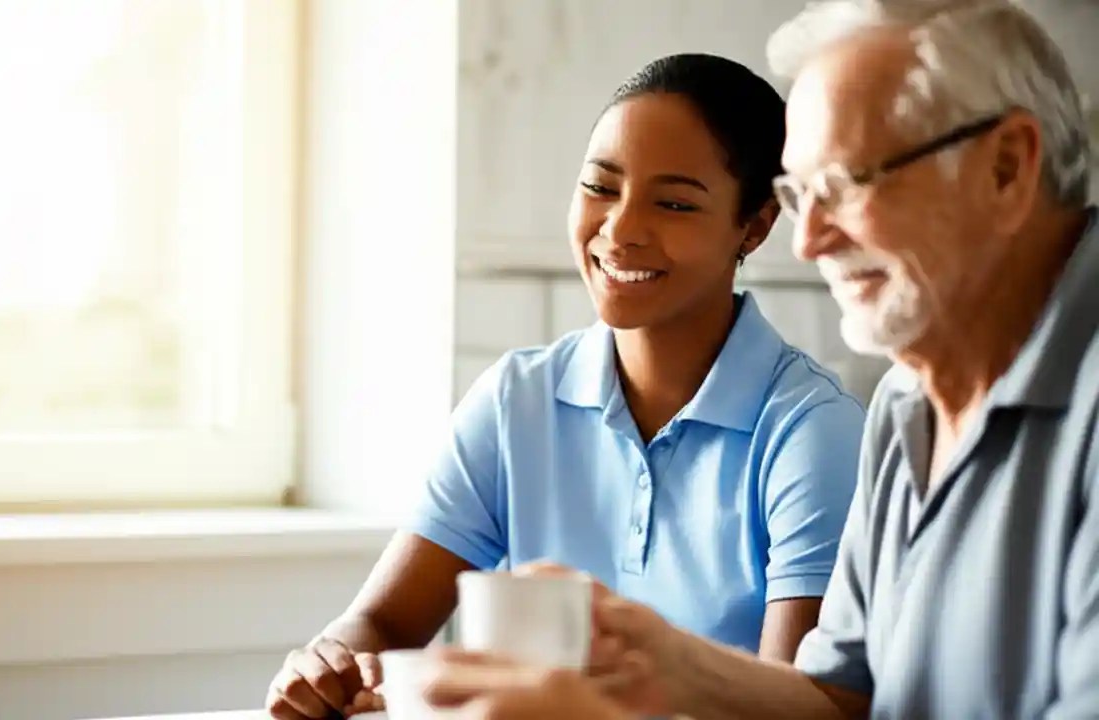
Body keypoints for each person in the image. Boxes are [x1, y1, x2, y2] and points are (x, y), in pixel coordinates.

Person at [423, 0, 1099, 718]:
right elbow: (841, 700)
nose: (807, 242)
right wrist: (670, 661)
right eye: (799, 193)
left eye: (844, 186)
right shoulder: (909, 402)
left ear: (1004, 167)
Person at [266, 53, 866, 719]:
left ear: (753, 225)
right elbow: (380, 624)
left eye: (672, 203)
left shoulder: (812, 433)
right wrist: (329, 665)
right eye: (600, 187)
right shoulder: (515, 400)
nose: (620, 229)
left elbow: (802, 705)